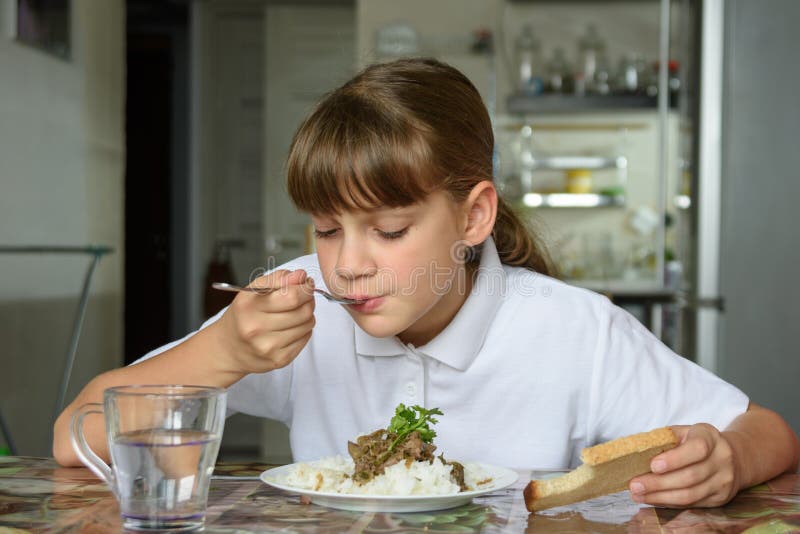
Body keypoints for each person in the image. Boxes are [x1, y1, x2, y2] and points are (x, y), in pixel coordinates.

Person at [54, 58, 798, 509]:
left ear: (473, 215)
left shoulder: (573, 330)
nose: (346, 264)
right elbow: (73, 437)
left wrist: (726, 462)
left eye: (388, 230)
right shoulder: (300, 307)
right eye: (325, 227)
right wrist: (226, 351)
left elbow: (769, 432)